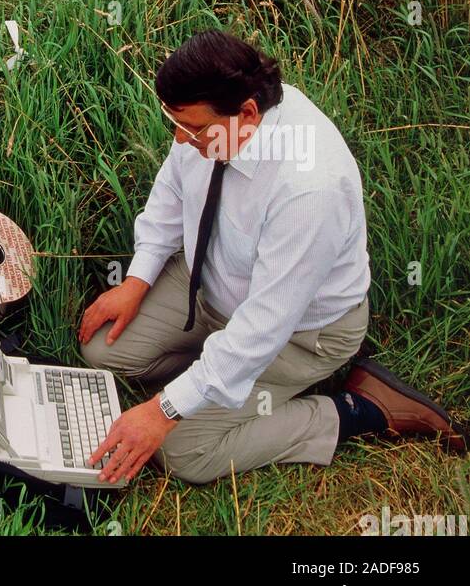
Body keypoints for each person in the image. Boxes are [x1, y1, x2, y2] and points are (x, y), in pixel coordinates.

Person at [78, 29, 466, 486]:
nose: (181, 141)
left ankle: (358, 410)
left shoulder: (309, 188)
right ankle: (215, 376)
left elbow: (263, 325)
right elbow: (171, 191)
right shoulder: (211, 119)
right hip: (208, 285)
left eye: (193, 130)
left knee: (183, 450)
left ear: (246, 113)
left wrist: (165, 410)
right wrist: (137, 281)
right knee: (101, 349)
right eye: (175, 126)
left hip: (298, 334)